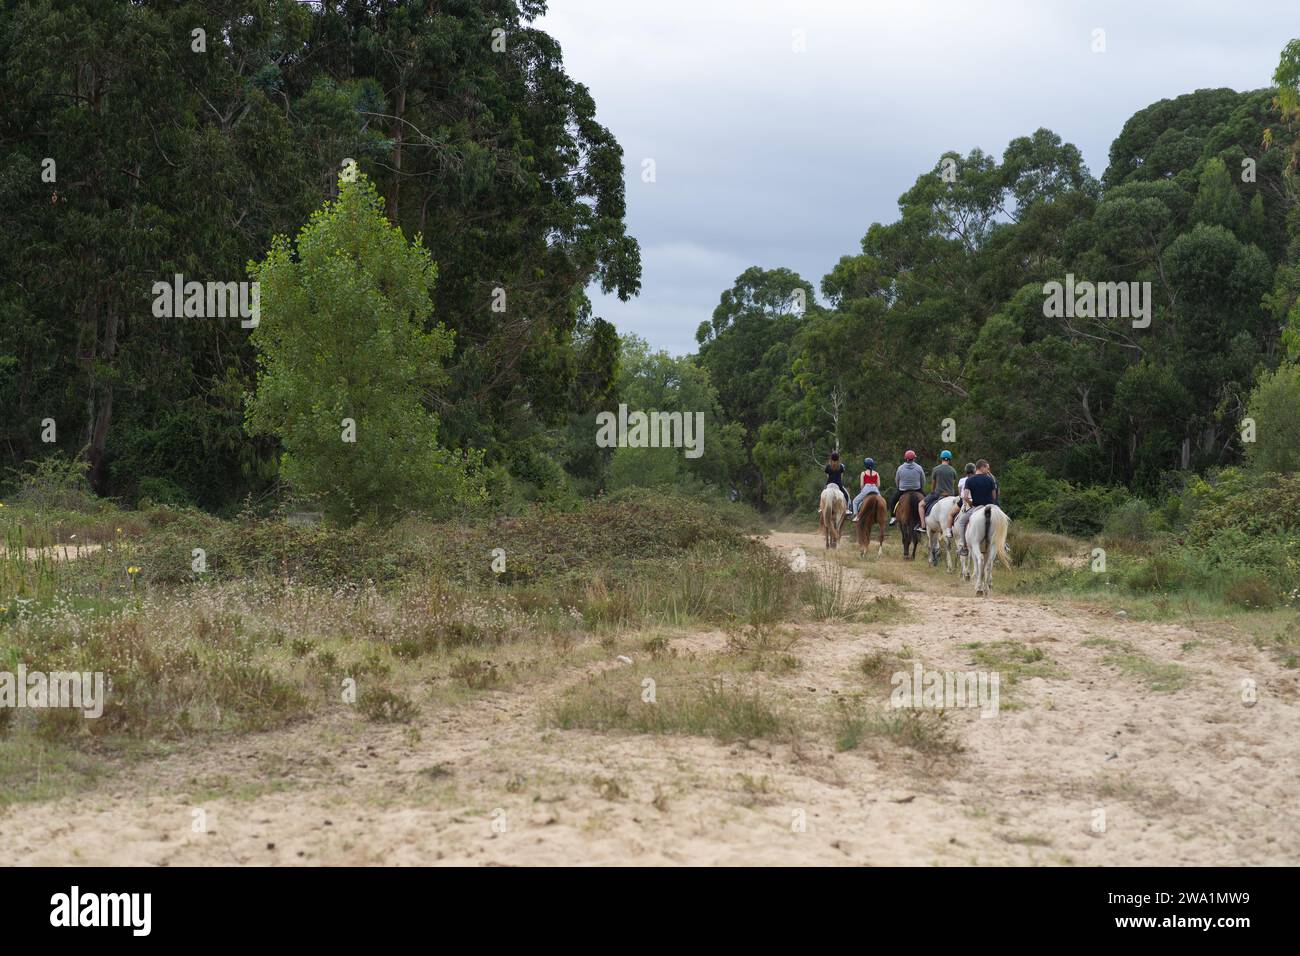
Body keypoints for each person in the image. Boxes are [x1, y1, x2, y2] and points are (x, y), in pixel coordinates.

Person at [954, 459, 999, 557]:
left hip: (977, 507)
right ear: (982, 467)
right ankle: (1003, 544)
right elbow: (994, 497)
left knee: (961, 522)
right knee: (1002, 521)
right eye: (987, 467)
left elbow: (965, 497)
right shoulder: (990, 479)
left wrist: (971, 503)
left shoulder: (970, 480)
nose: (988, 470)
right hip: (990, 507)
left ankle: (964, 547)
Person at [887, 450, 926, 530]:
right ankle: (926, 517)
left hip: (903, 490)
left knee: (892, 501)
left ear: (905, 459)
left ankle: (893, 517)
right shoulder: (919, 467)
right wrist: (920, 487)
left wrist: (899, 487)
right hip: (917, 489)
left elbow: (897, 480)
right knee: (928, 501)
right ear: (914, 458)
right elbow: (923, 480)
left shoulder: (900, 468)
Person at [919, 450, 958, 528]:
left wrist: (932, 491)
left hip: (938, 494)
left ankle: (923, 524)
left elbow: (933, 484)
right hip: (950, 494)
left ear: (941, 458)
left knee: (921, 505)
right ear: (949, 459)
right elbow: (953, 484)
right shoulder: (953, 470)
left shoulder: (936, 469)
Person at [850, 457, 882, 522]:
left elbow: (861, 485)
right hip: (875, 489)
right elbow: (878, 485)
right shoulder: (876, 473)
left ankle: (856, 516)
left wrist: (862, 491)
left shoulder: (863, 473)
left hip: (866, 488)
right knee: (882, 502)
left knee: (855, 501)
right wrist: (875, 489)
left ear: (865, 465)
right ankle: (882, 515)